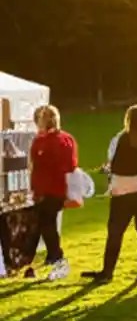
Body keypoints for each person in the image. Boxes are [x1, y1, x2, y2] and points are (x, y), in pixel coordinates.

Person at [83, 104, 137, 284]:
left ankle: (108, 271)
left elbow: (117, 165)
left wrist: (131, 166)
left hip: (123, 192)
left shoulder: (125, 139)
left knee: (116, 233)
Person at [28, 105, 77, 281]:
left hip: (46, 189)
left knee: (45, 223)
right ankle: (53, 255)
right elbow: (71, 165)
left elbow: (35, 166)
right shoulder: (67, 139)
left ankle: (57, 257)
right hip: (59, 188)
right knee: (48, 223)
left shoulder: (42, 142)